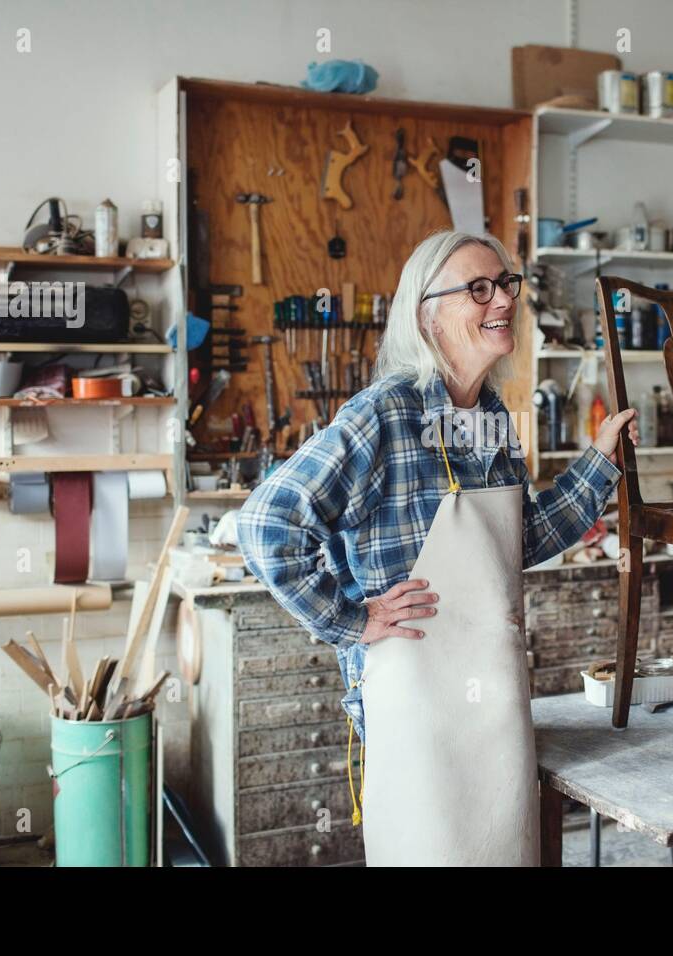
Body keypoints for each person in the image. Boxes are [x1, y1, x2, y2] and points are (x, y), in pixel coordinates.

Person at [237, 230, 637, 862]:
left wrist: (599, 463)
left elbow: (519, 541)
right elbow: (265, 524)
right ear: (428, 316)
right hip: (413, 703)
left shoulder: (493, 419)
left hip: (495, 700)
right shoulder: (385, 415)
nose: (501, 297)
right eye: (477, 288)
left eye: (505, 283)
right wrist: (350, 620)